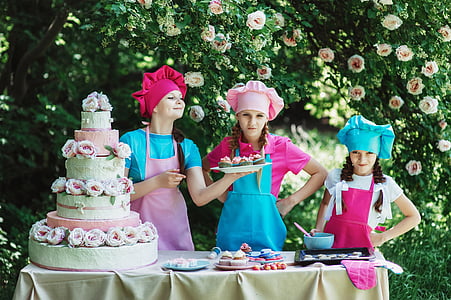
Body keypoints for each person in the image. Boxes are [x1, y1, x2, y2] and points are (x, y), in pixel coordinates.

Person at [120, 65, 250, 250]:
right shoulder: (131, 141)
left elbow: (199, 197)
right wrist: (157, 182)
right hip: (137, 232)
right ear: (154, 106)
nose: (180, 101)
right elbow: (116, 195)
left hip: (174, 229)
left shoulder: (187, 147)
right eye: (171, 98)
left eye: (180, 98)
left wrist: (232, 176)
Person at [202, 80, 328, 251]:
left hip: (268, 232)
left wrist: (290, 201)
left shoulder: (281, 147)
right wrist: (220, 193)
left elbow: (320, 173)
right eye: (246, 114)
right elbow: (202, 168)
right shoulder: (228, 146)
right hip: (232, 230)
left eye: (259, 115)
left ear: (267, 118)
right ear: (237, 115)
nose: (252, 122)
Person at [310, 115, 421, 249]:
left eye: (369, 153)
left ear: (377, 154)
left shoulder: (385, 184)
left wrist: (383, 237)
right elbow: (325, 203)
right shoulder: (335, 176)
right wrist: (319, 231)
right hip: (330, 248)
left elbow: (414, 216)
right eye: (356, 152)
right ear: (349, 153)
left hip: (362, 253)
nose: (362, 159)